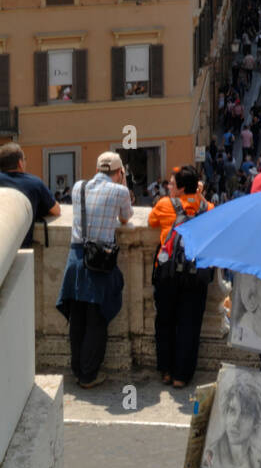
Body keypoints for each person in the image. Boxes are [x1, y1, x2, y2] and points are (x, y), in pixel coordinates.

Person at [56, 153, 133, 389]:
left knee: (77, 317)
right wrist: (124, 186)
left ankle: (78, 369)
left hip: (76, 259)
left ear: (98, 169)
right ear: (119, 173)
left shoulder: (79, 187)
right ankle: (88, 375)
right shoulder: (120, 191)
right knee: (96, 319)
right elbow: (125, 217)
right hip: (99, 261)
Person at [148, 166, 213, 387]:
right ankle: (181, 376)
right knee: (190, 324)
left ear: (181, 188)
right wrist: (199, 196)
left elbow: (151, 222)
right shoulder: (209, 208)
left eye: (172, 184)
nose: (168, 187)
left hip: (168, 274)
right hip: (196, 275)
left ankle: (165, 370)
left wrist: (172, 198)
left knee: (165, 321)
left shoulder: (165, 204)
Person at [0, 143, 60, 248]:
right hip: (20, 250)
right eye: (24, 159)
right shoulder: (35, 183)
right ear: (20, 163)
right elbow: (56, 210)